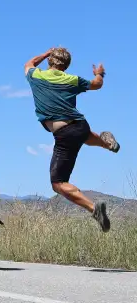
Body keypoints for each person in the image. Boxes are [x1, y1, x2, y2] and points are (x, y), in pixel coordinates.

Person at [24, 47, 120, 231]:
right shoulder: (72, 80)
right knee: (82, 135)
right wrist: (100, 73)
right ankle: (107, 142)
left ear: (49, 62)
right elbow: (97, 84)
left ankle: (94, 209)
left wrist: (44, 54)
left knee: (58, 183)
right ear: (66, 65)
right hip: (80, 125)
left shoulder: (35, 76)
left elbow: (29, 63)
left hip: (65, 134)